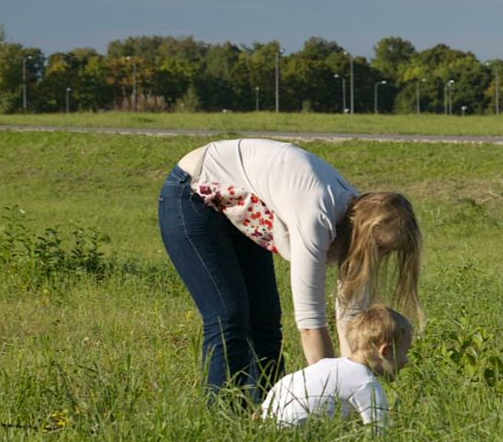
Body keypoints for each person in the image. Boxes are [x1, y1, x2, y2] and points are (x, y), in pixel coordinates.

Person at [158, 138, 422, 403]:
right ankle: (222, 414)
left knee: (265, 322)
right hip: (193, 192)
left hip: (240, 202)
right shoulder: (316, 215)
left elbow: (349, 316)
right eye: (379, 248)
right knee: (229, 315)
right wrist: (331, 398)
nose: (379, 257)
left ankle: (267, 414)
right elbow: (310, 324)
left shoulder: (362, 216)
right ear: (366, 236)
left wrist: (351, 380)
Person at [260, 305, 412, 427]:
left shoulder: (326, 364)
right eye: (405, 352)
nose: (408, 361)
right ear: (385, 351)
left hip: (270, 423)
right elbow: (379, 434)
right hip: (301, 433)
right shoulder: (366, 383)